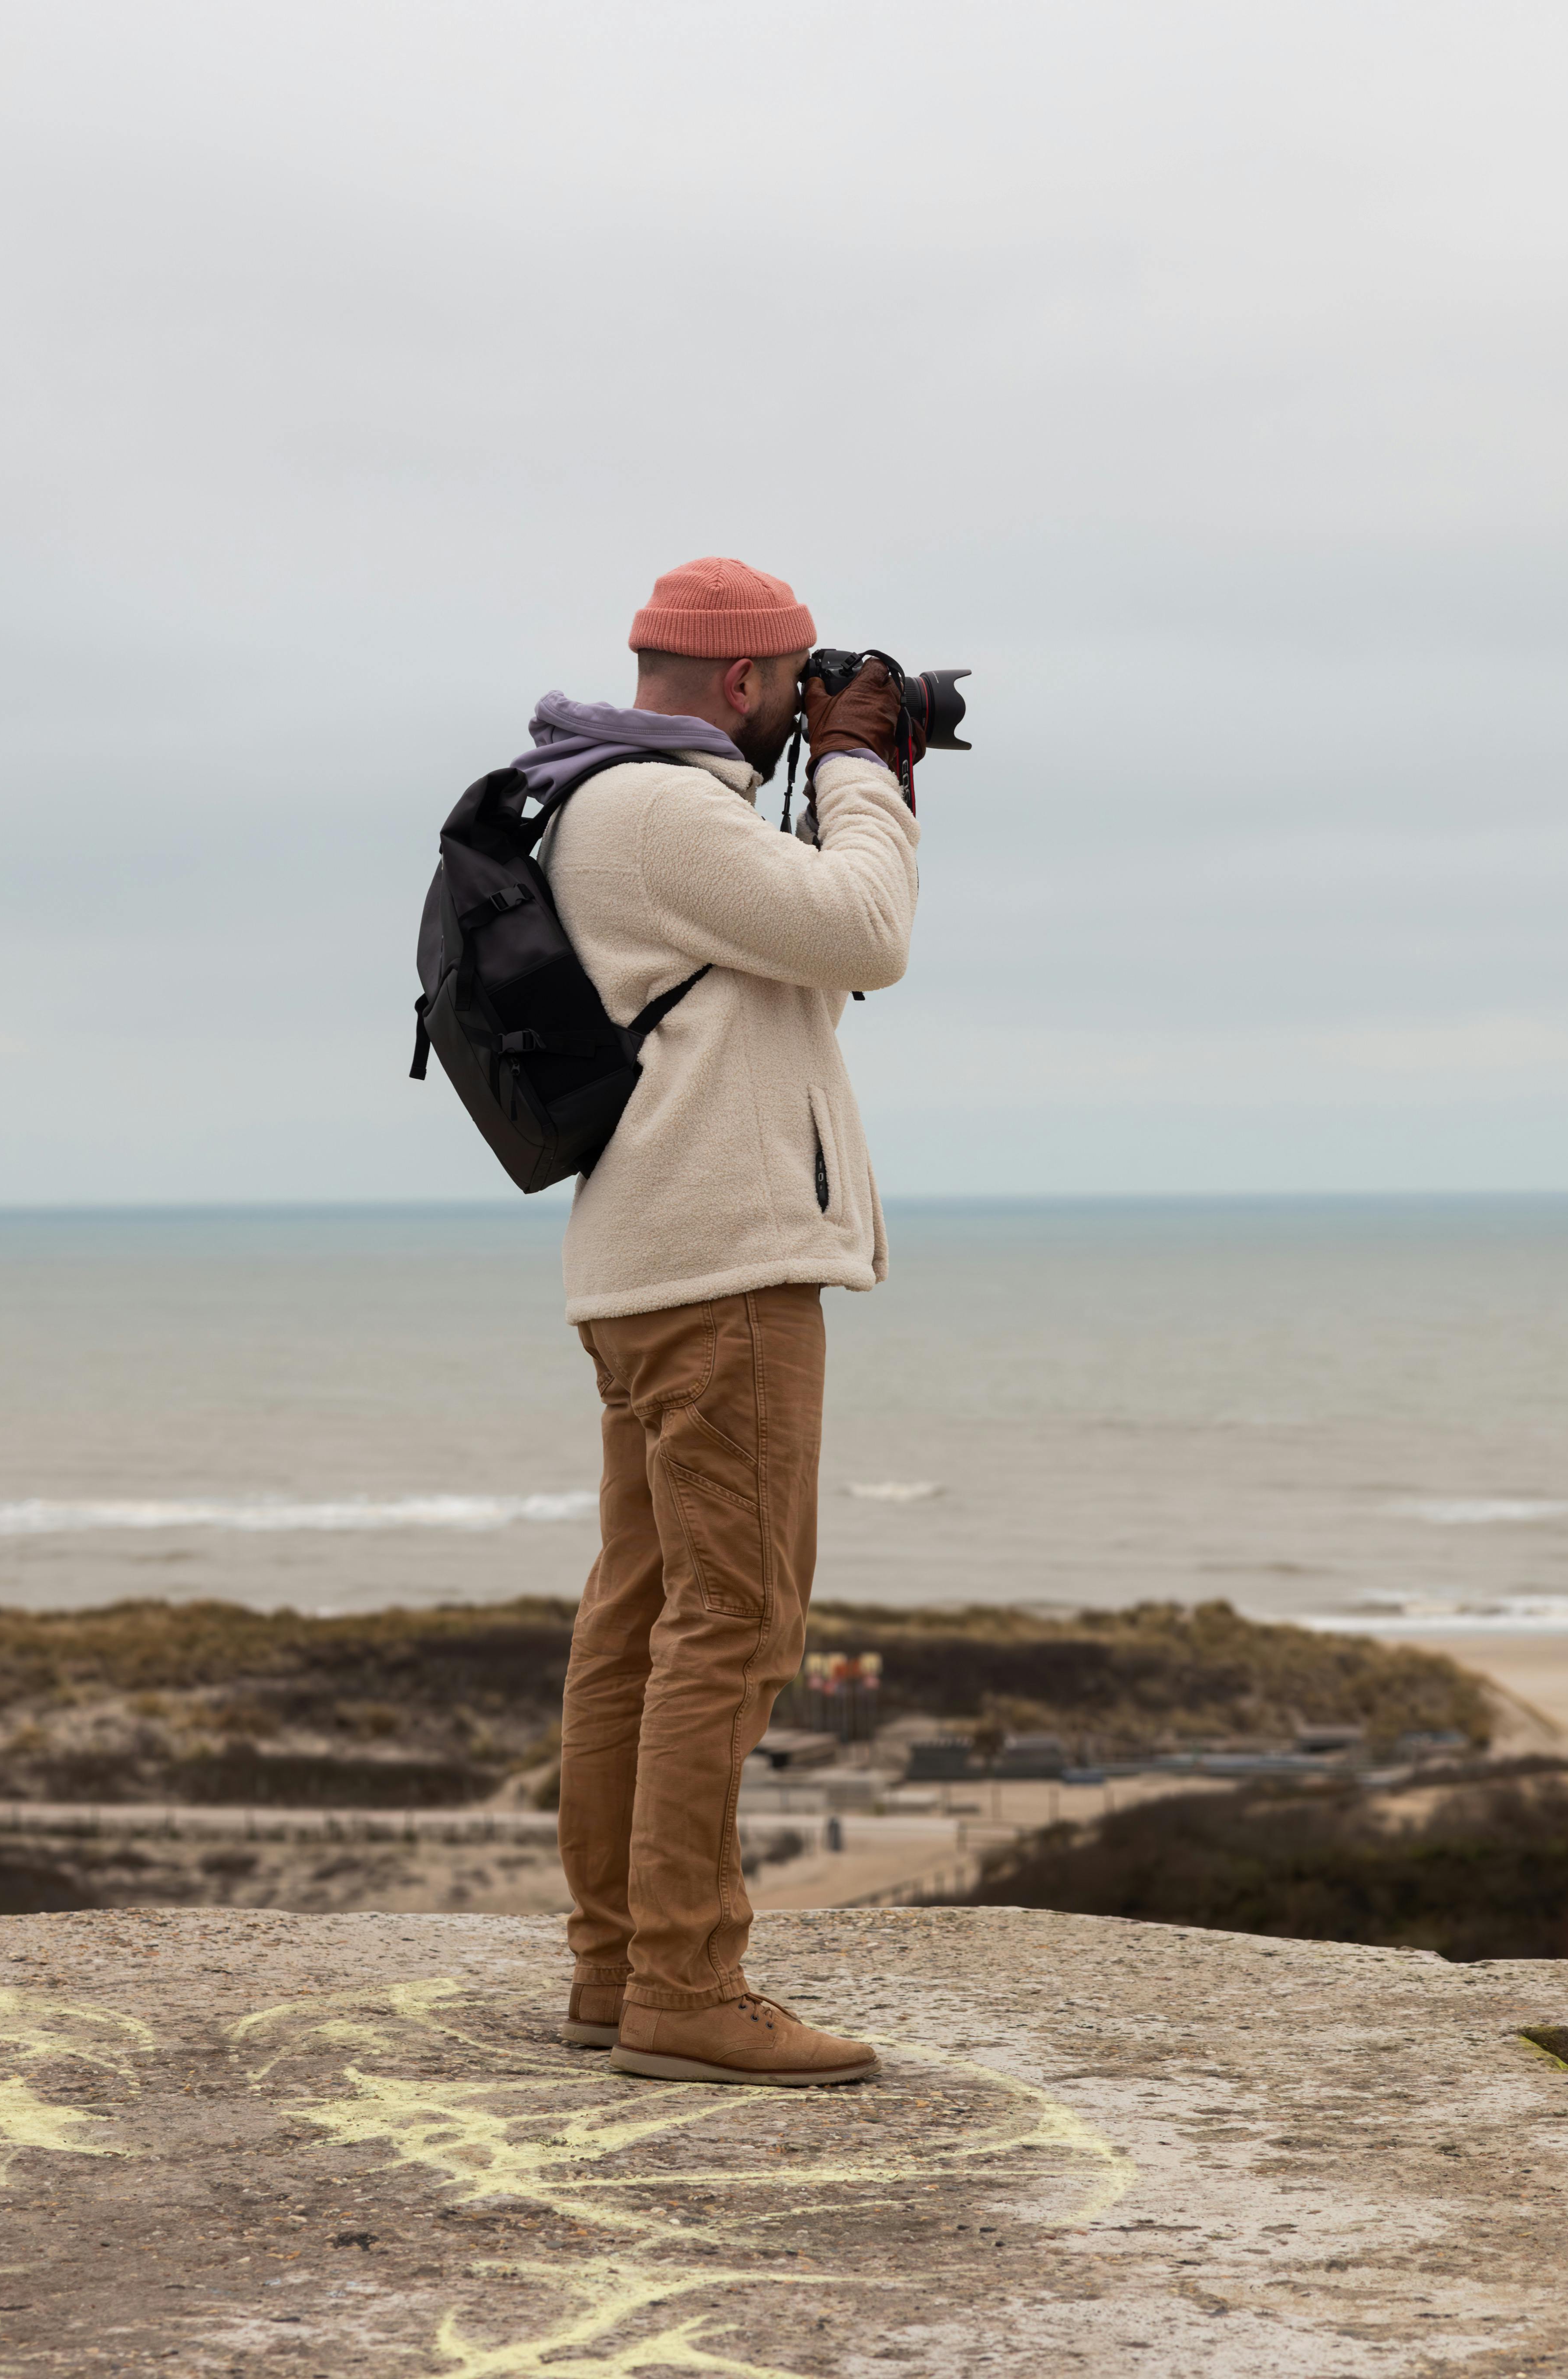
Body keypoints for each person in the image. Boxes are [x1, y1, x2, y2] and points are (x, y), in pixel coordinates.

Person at [513, 556, 922, 2087]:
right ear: (746, 682)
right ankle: (687, 1983)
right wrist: (865, 773)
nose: (815, 707)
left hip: (651, 1263)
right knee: (734, 1625)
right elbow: (869, 932)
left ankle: (617, 1967)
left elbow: (805, 952)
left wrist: (846, 774)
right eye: (802, 684)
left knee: (640, 1623)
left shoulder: (613, 800)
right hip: (723, 1274)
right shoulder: (664, 811)